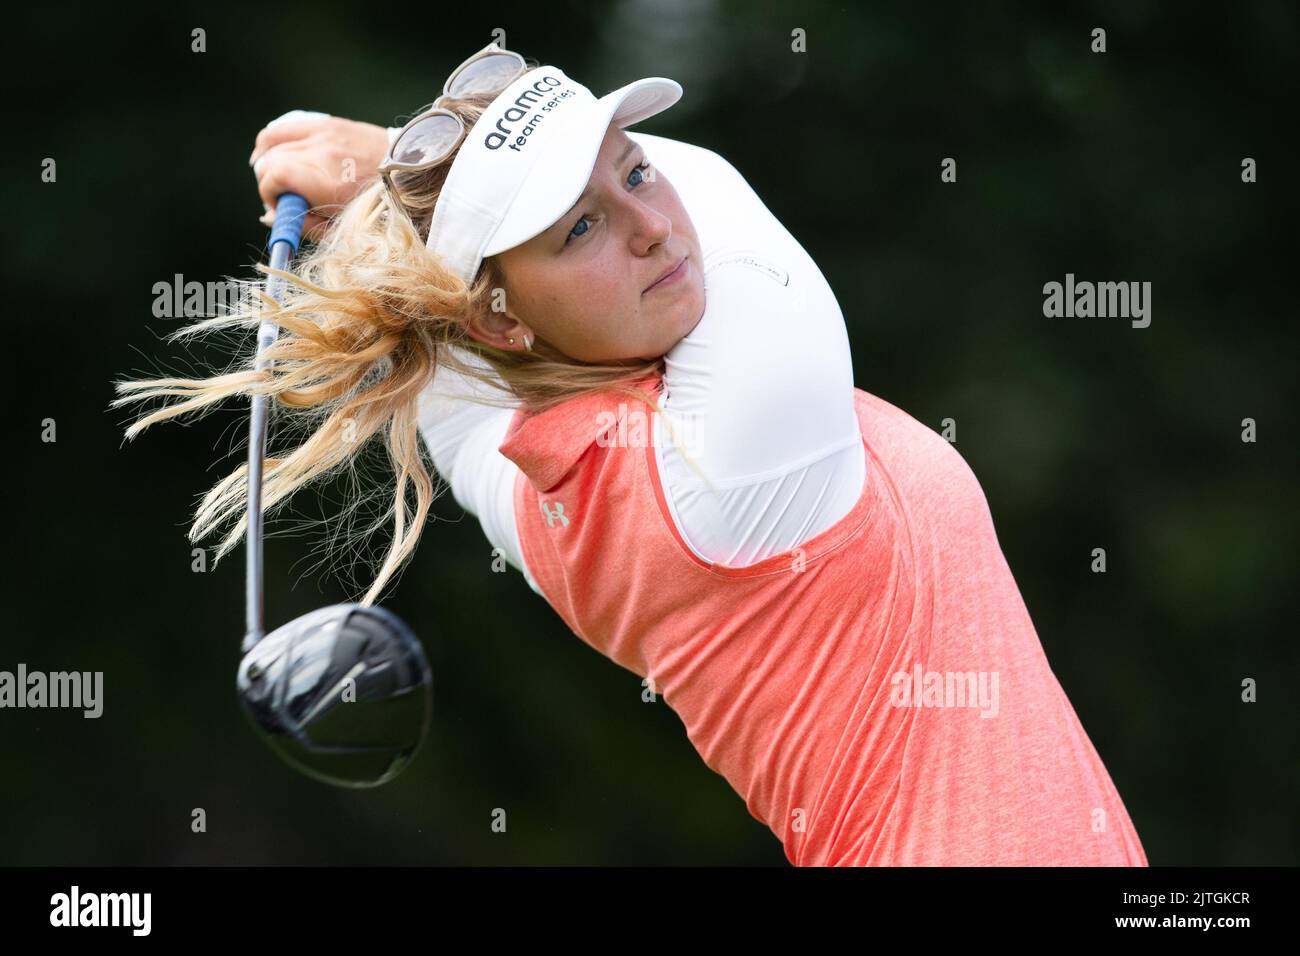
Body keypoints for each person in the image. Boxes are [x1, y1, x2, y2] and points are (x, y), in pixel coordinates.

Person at [114, 42, 1148, 866]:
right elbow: (721, 193)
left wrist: (403, 198)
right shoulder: (744, 439)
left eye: (634, 170)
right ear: (506, 319)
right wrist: (383, 161)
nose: (652, 225)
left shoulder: (527, 471)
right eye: (579, 229)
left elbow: (457, 321)